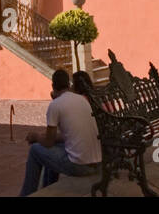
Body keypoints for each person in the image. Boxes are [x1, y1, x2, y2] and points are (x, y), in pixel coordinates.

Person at [19, 68, 103, 196]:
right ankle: (48, 187)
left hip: (80, 166)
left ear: (53, 86)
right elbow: (67, 136)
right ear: (68, 84)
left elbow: (48, 142)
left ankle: (27, 193)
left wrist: (36, 136)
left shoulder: (56, 105)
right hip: (97, 162)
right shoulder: (81, 99)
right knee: (53, 149)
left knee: (35, 150)